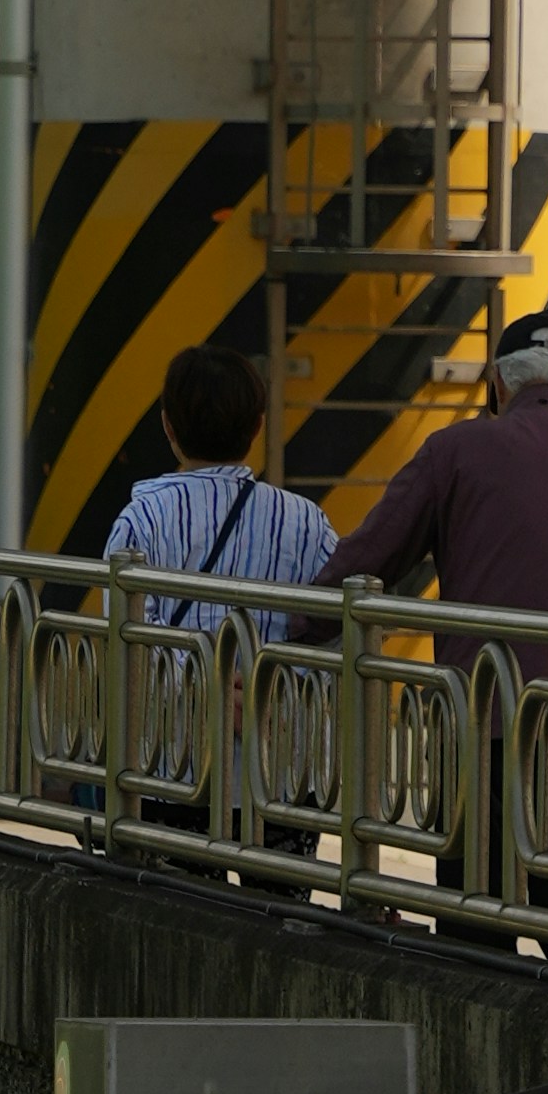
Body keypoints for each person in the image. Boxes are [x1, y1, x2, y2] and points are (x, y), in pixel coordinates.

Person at [326, 325, 548, 915]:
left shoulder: (451, 452)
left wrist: (282, 637)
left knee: (476, 932)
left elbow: (364, 563)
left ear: (496, 383)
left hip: (477, 731)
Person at [99, 343, 344, 836]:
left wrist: (206, 688)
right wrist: (265, 685)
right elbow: (335, 637)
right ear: (257, 428)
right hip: (282, 776)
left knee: (183, 906)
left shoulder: (141, 522)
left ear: (168, 426)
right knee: (278, 912)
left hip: (172, 771)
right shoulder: (307, 523)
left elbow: (128, 646)